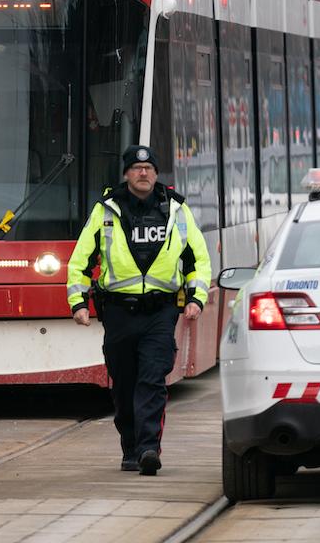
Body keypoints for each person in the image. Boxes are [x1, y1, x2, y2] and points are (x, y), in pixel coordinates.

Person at [66, 144, 211, 476]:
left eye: (148, 169)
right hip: (118, 312)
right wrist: (78, 303)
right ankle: (130, 446)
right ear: (126, 174)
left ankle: (148, 448)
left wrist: (195, 298)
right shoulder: (106, 210)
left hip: (161, 311)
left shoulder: (176, 210)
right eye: (135, 168)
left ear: (156, 174)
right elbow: (80, 261)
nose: (142, 173)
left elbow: (197, 260)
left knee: (152, 378)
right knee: (124, 383)